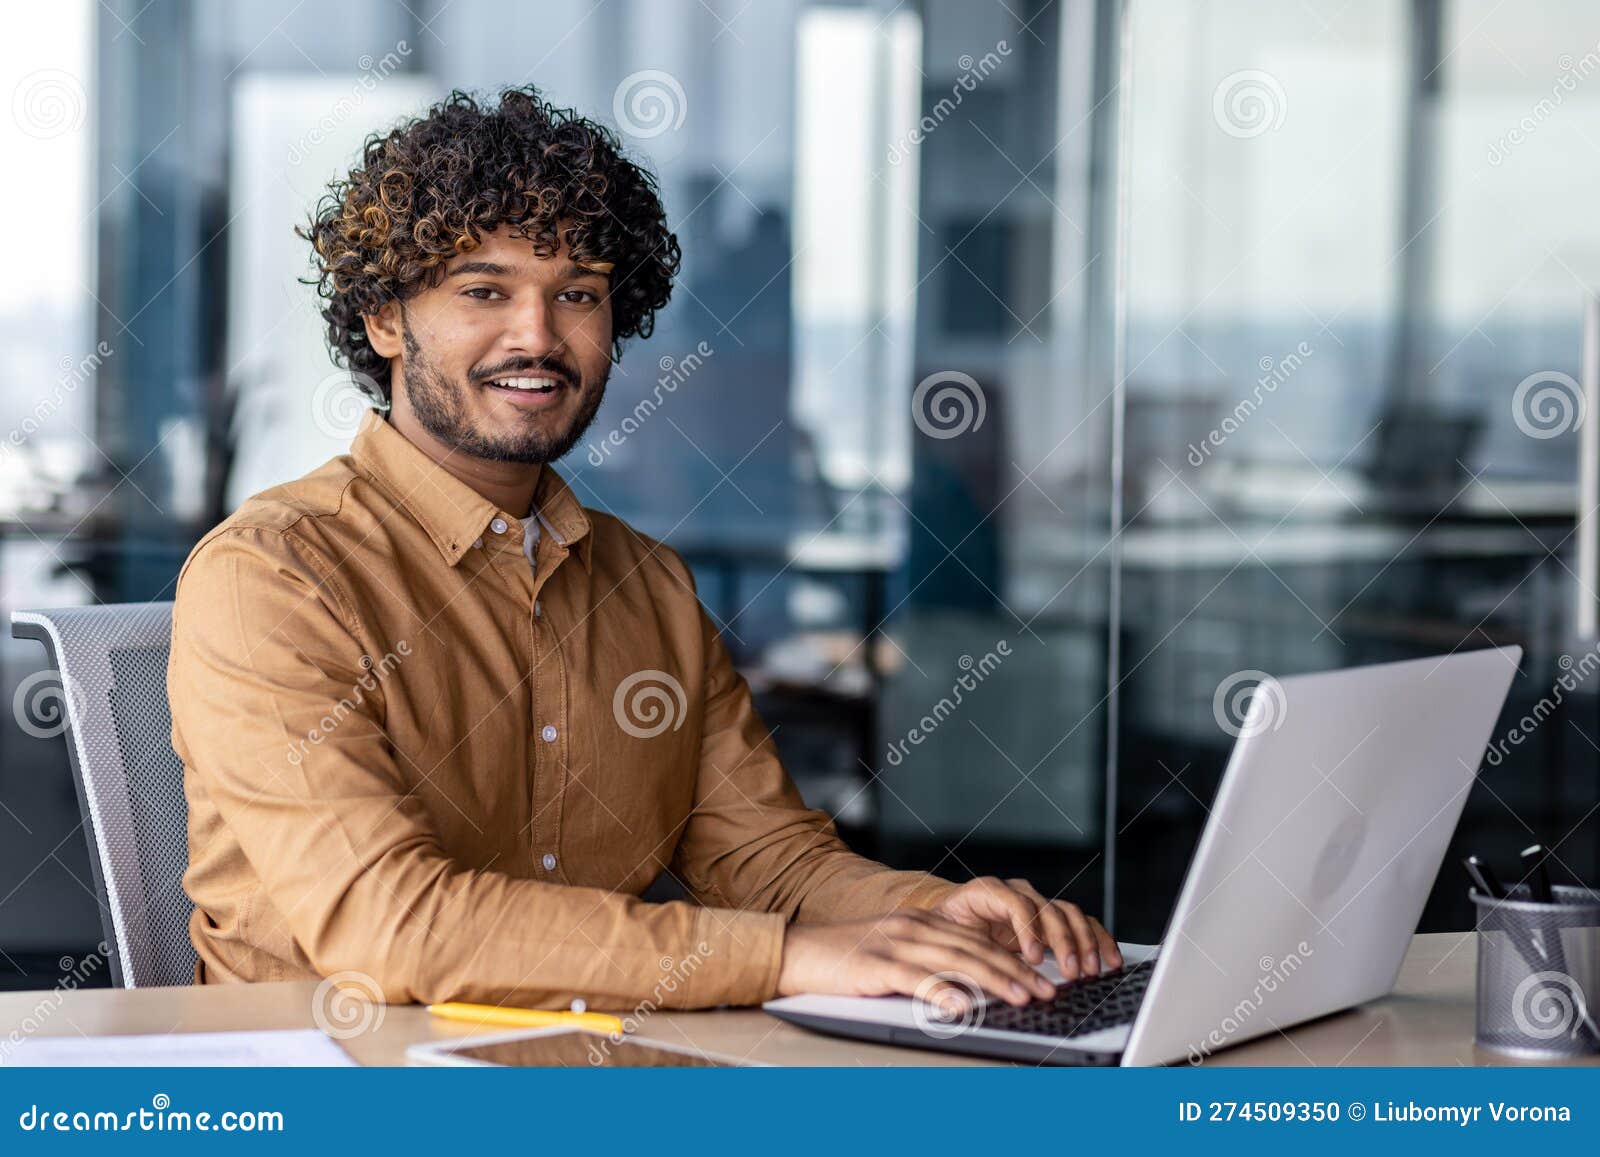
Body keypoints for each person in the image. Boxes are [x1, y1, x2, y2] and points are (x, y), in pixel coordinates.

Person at [169, 85, 1119, 1017]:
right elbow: (393, 924)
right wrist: (788, 959)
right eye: (484, 290)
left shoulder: (645, 584)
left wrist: (926, 914)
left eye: (575, 294)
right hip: (323, 1079)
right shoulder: (273, 578)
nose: (537, 336)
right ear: (385, 320)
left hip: (572, 1065)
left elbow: (764, 860)